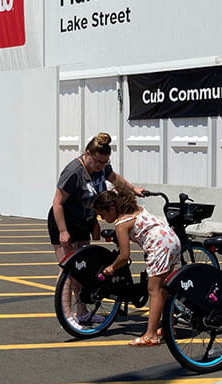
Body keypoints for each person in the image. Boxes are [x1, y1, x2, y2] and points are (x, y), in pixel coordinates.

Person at [49, 132, 144, 328]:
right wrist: (63, 231)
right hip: (65, 222)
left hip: (84, 222)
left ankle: (82, 312)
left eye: (104, 163)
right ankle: (67, 315)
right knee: (70, 270)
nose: (100, 167)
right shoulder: (74, 172)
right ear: (88, 154)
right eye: (98, 162)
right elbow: (57, 203)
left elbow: (114, 178)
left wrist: (132, 189)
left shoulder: (102, 167)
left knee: (85, 270)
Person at [93, 184, 182, 347]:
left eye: (102, 214)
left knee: (153, 290)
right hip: (172, 240)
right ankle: (170, 328)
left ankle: (150, 335)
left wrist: (112, 268)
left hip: (159, 245)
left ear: (112, 209)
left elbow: (124, 257)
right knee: (164, 289)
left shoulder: (121, 224)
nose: (103, 219)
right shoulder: (136, 209)